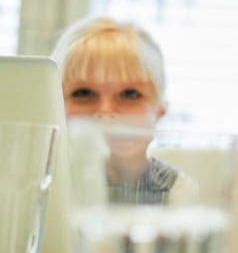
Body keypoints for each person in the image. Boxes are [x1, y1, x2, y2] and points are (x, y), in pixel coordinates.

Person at [52, 16, 197, 205]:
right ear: (55, 106)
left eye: (130, 94)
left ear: (159, 112)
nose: (105, 112)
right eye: (84, 93)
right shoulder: (43, 182)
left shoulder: (176, 190)